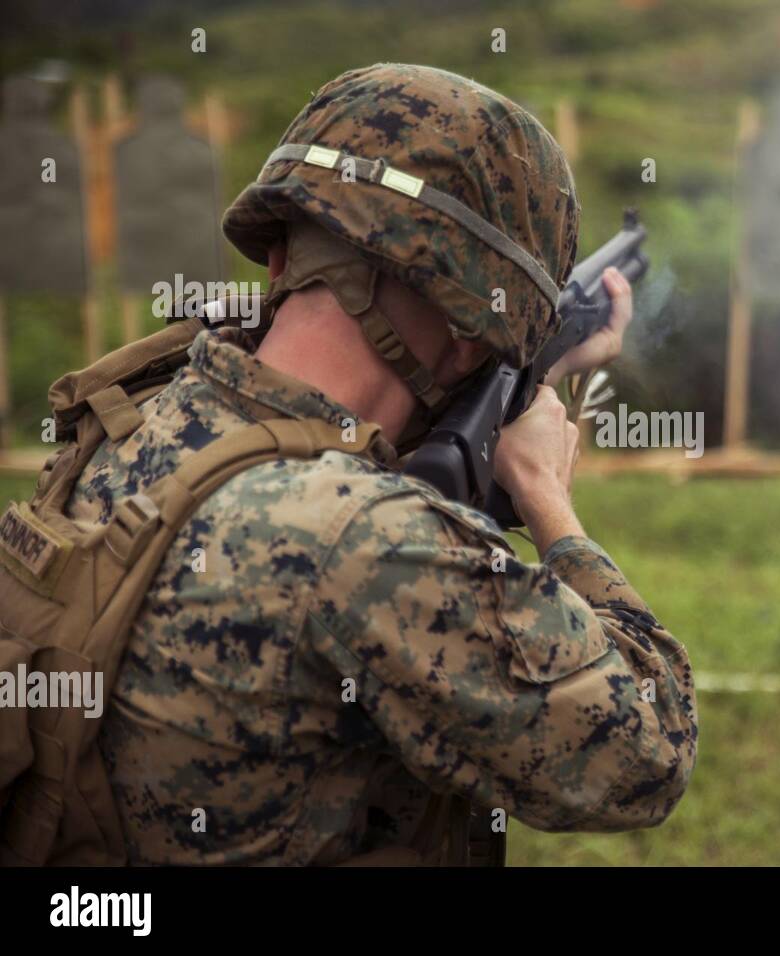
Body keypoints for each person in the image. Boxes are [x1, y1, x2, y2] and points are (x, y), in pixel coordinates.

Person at [69, 63, 696, 864]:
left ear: (281, 259)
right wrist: (544, 495)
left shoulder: (133, 423)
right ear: (469, 329)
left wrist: (530, 372)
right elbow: (649, 751)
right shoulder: (365, 543)